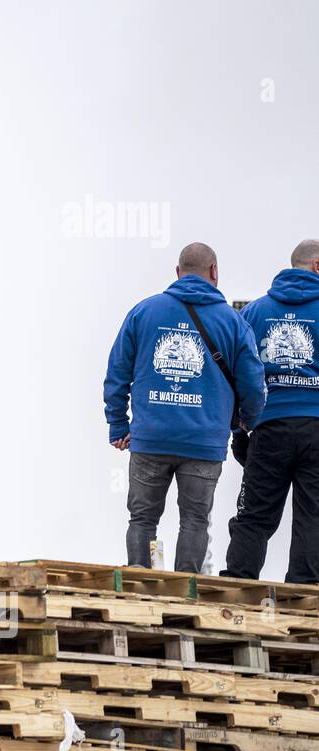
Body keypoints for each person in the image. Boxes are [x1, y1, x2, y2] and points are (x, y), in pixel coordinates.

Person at [103, 243, 265, 572]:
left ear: (178, 273)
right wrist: (247, 422)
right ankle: (186, 590)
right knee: (194, 521)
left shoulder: (143, 312)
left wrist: (118, 425)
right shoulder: (233, 322)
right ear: (214, 272)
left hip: (151, 439)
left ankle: (140, 582)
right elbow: (252, 382)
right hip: (204, 443)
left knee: (143, 519)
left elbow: (117, 373)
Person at [224, 241, 319, 583]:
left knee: (254, 514)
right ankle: (305, 590)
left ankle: (237, 582)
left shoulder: (254, 312)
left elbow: (235, 375)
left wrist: (238, 430)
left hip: (269, 427)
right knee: (313, 515)